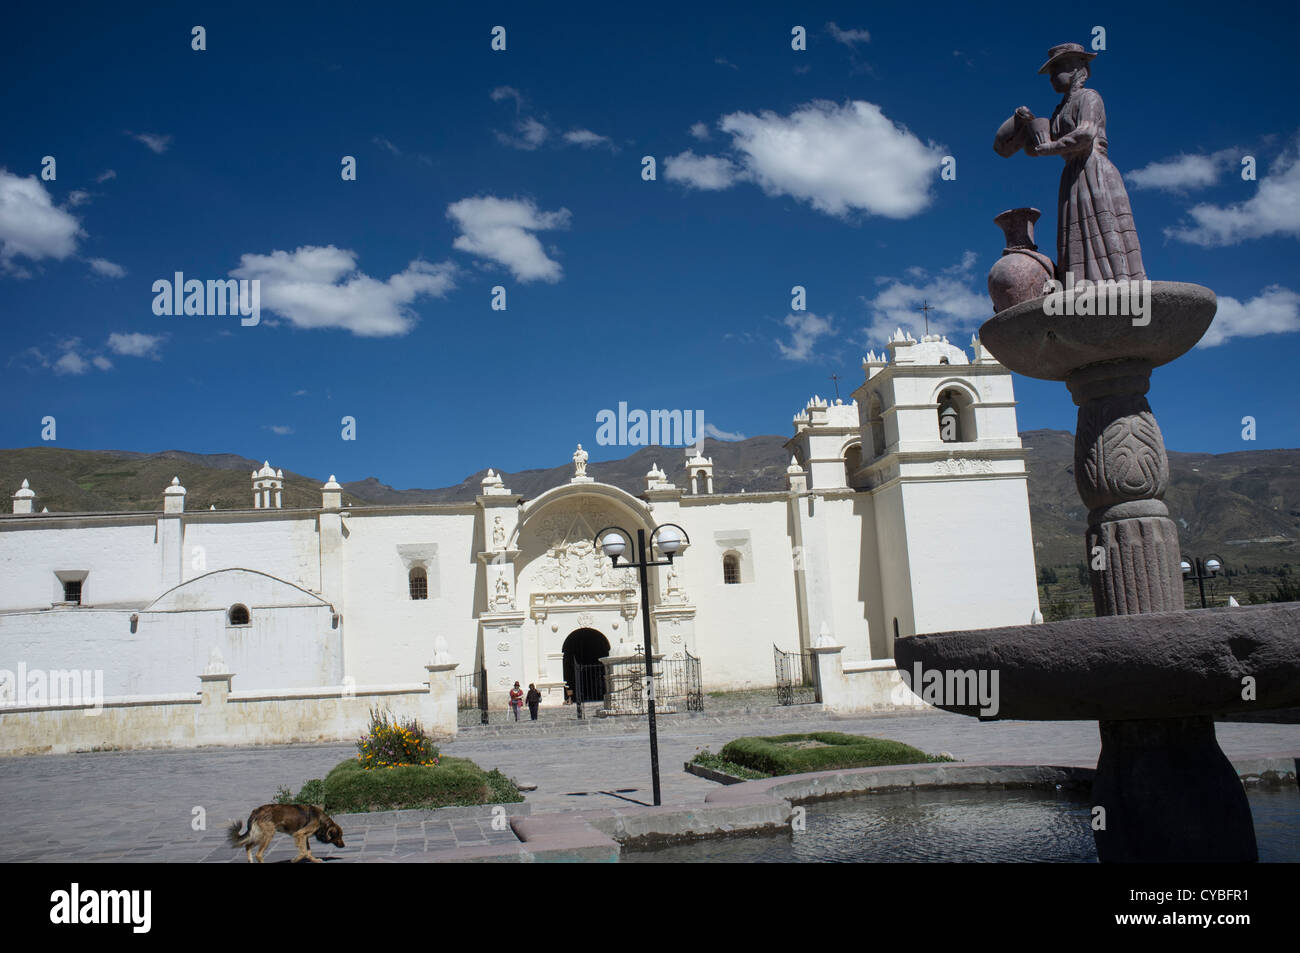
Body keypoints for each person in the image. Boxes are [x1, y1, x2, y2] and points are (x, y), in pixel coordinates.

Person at [1003, 42, 1145, 284]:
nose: (1051, 79)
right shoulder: (1059, 112)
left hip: (1094, 170)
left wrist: (1049, 148)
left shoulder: (1089, 97)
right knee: (1075, 233)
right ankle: (1081, 285)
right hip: (1073, 175)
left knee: (1101, 225)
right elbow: (1021, 150)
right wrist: (1022, 124)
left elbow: (1085, 134)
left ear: (1075, 68)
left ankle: (1113, 281)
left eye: (1056, 70)